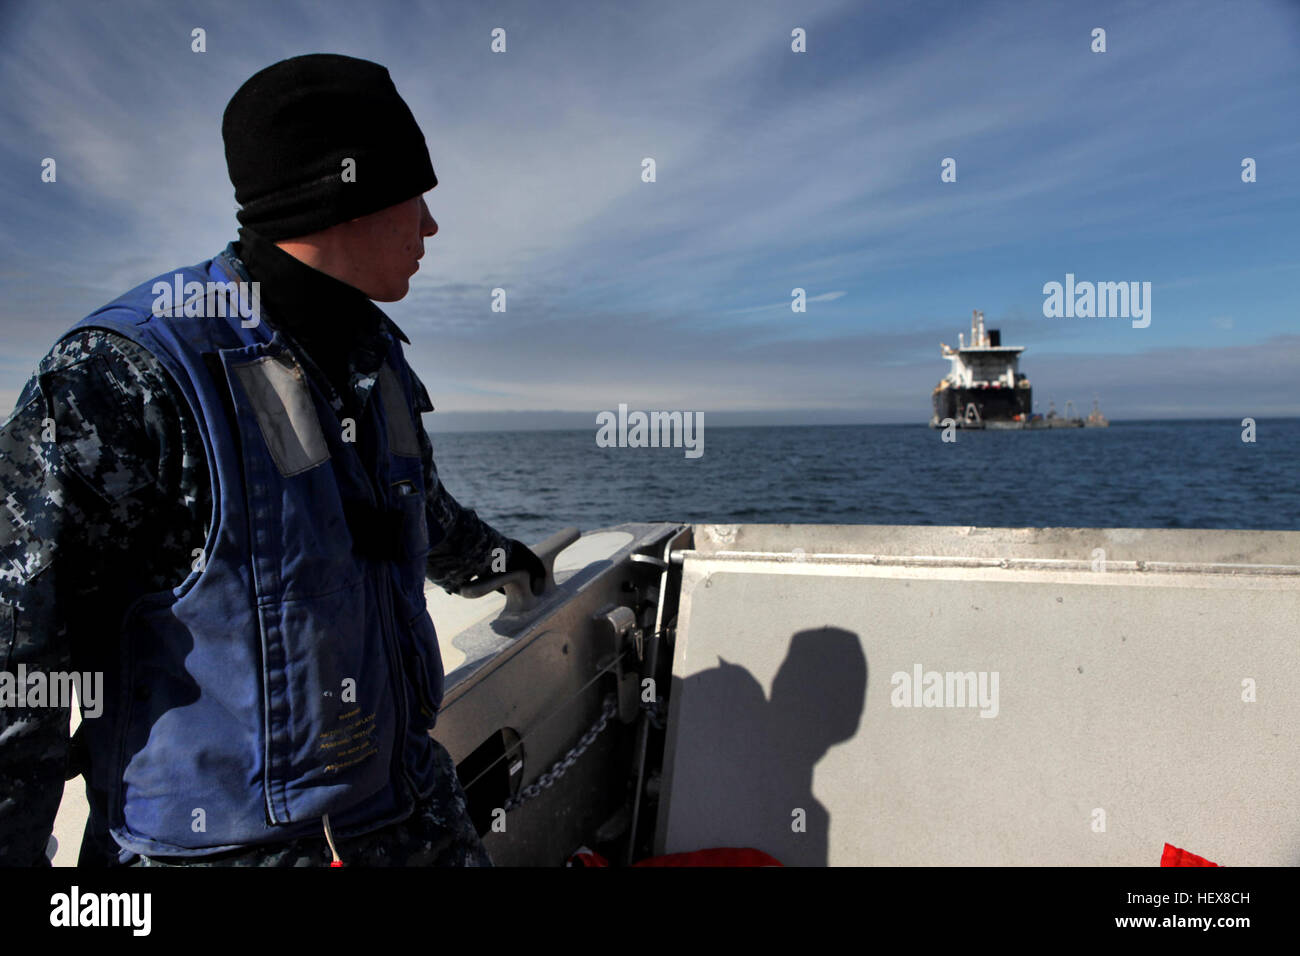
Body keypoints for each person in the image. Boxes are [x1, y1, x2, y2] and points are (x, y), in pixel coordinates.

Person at [0, 53, 545, 867]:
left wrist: (500, 559)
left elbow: (413, 511)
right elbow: (20, 655)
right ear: (343, 198)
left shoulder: (372, 356)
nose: (430, 225)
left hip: (408, 815)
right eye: (415, 195)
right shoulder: (121, 376)